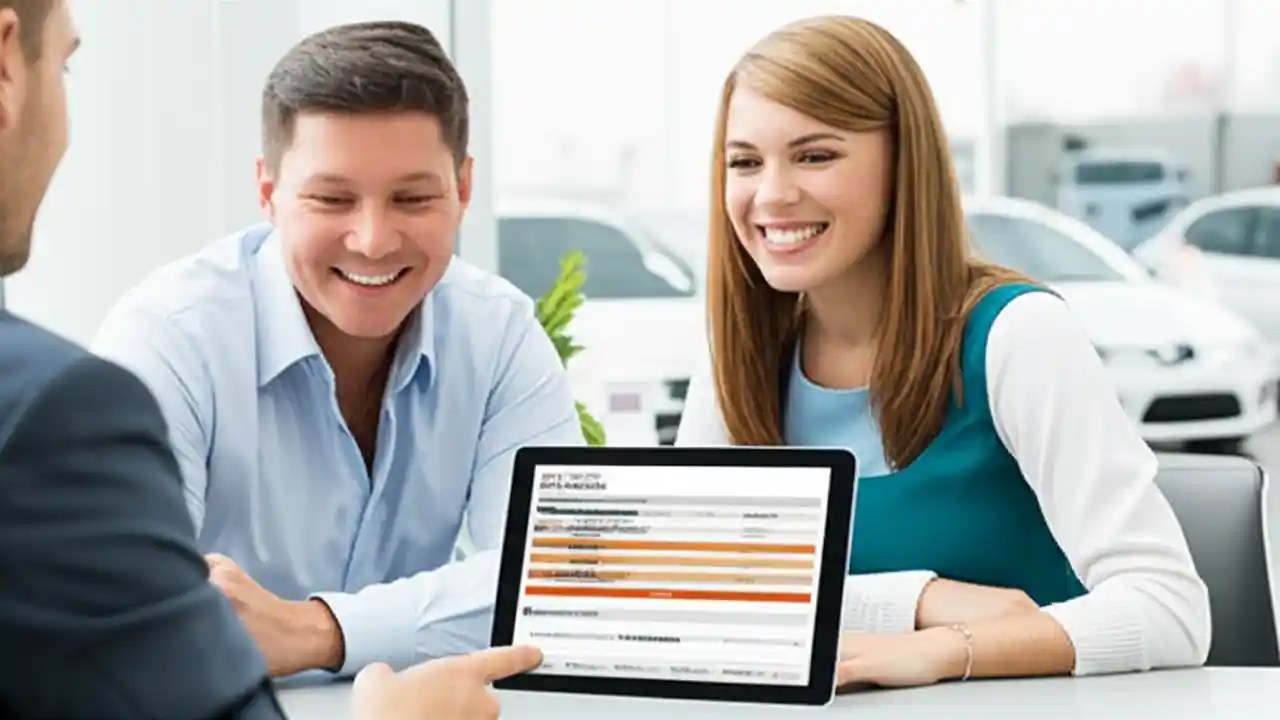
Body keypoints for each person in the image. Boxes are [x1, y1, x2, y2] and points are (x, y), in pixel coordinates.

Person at [0, 1, 540, 718]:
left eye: (413, 198)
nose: (374, 239)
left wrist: (315, 630)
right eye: (331, 198)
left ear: (463, 190)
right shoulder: (168, 337)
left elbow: (556, 590)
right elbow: (158, 630)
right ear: (268, 191)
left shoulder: (497, 332)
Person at [675, 15, 1211, 689]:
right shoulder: (737, 356)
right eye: (745, 162)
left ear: (905, 164)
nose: (772, 193)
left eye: (815, 155)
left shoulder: (1019, 335)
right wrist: (919, 602)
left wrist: (941, 650)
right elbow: (691, 600)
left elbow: (1170, 610)